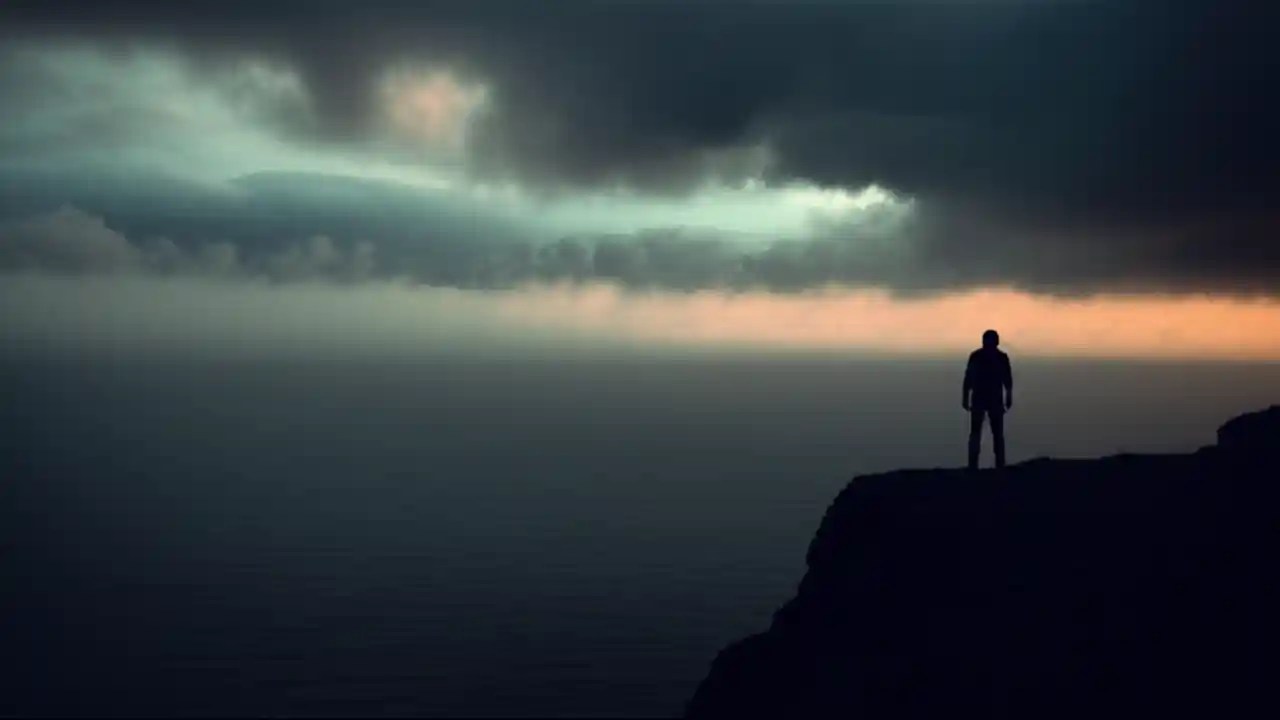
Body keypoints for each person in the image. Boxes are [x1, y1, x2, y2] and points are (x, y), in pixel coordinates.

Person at [963, 329, 1013, 470]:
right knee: (984, 433)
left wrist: (965, 396)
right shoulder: (984, 357)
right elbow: (1007, 380)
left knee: (989, 433)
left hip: (988, 398)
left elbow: (1007, 380)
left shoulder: (981, 357)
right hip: (985, 398)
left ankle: (989, 464)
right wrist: (1008, 397)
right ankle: (992, 464)